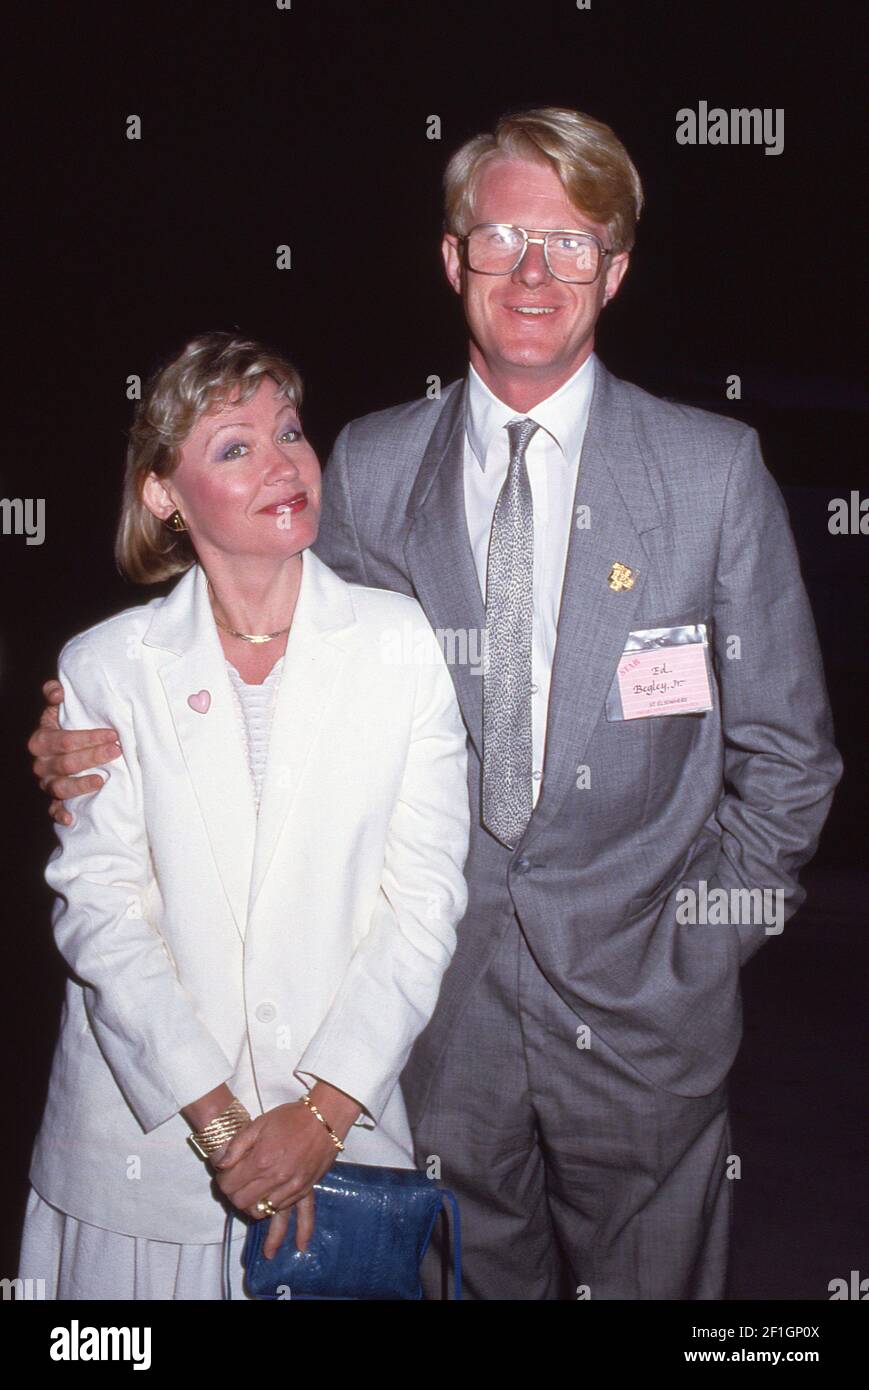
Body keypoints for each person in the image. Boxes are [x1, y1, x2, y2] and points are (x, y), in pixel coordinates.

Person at [29, 108, 843, 1300]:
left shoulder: (709, 471)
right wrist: (79, 727)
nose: (531, 271)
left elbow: (788, 765)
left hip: (645, 1027)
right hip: (432, 1026)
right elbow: (256, 649)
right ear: (451, 257)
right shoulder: (363, 464)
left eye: (570, 244)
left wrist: (693, 950)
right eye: (502, 234)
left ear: (613, 272)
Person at [18, 331, 470, 1300]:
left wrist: (324, 1110)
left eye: (292, 431)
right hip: (146, 1159)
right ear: (163, 495)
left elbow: (423, 900)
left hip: (342, 1151)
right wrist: (223, 1127)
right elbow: (99, 912)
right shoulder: (106, 664)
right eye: (235, 445)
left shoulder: (397, 643)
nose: (284, 462)